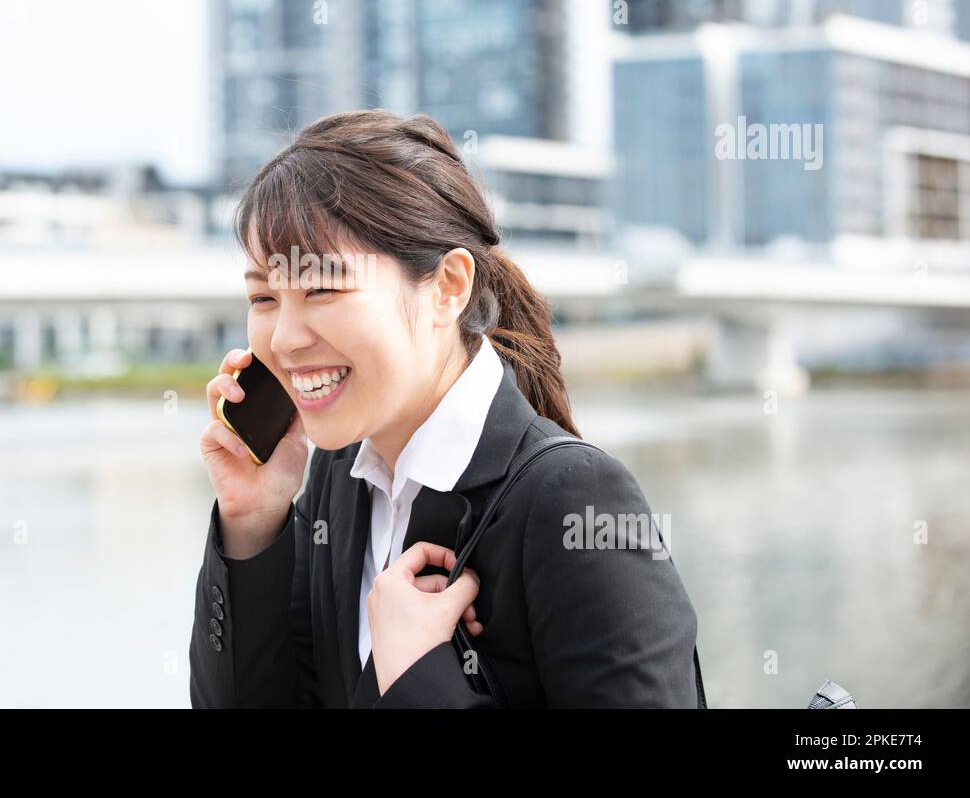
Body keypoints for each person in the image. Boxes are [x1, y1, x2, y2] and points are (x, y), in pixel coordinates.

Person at [189, 108, 702, 708]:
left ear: (448, 287)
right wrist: (252, 522)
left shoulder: (577, 499)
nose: (283, 339)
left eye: (322, 289)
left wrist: (418, 676)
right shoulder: (339, 480)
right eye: (263, 296)